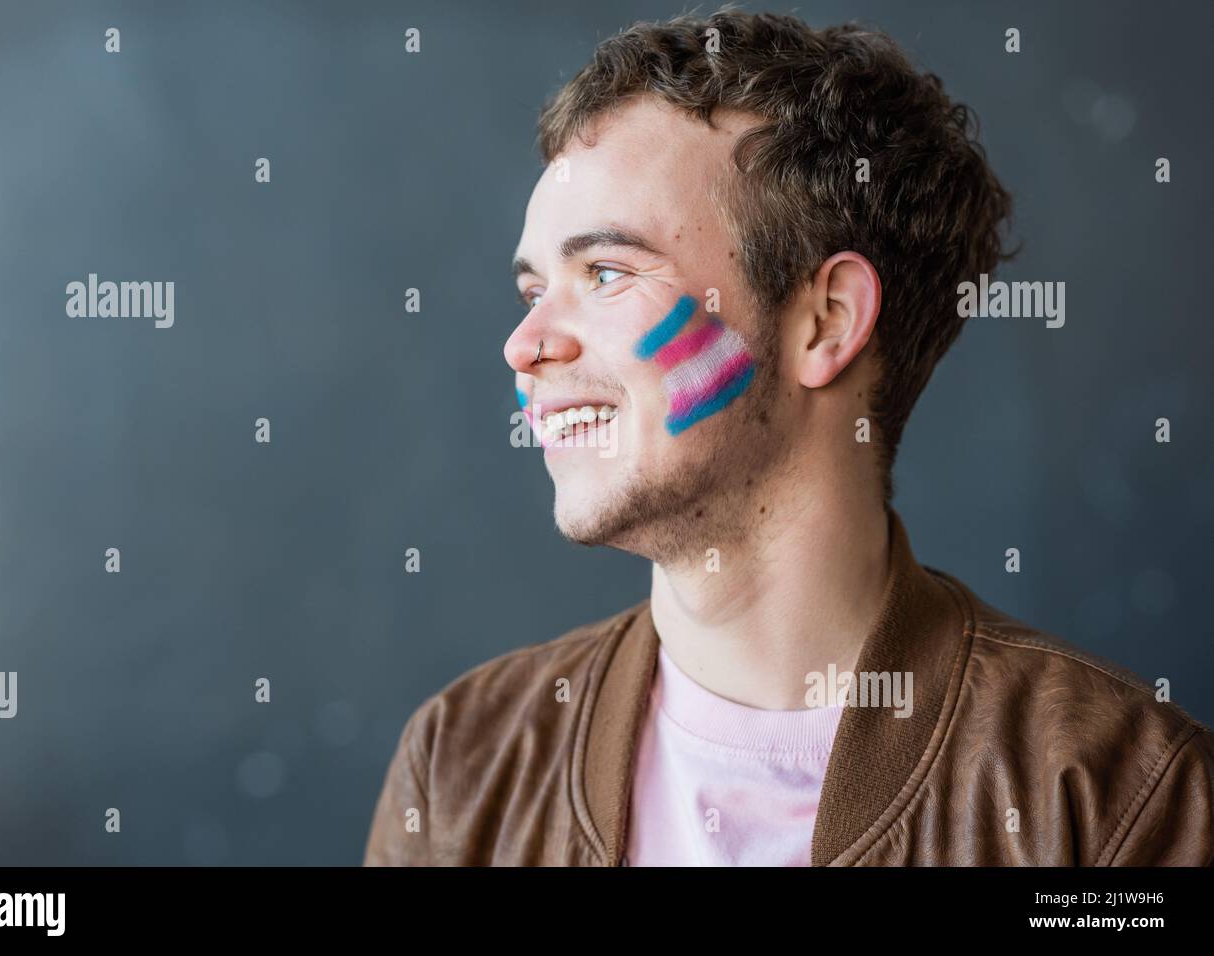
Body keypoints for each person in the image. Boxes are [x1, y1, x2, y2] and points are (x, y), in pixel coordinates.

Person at [365, 9, 1214, 866]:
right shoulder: (459, 771)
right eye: (532, 289)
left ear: (825, 321)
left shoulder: (1114, 799)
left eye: (607, 272)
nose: (526, 345)